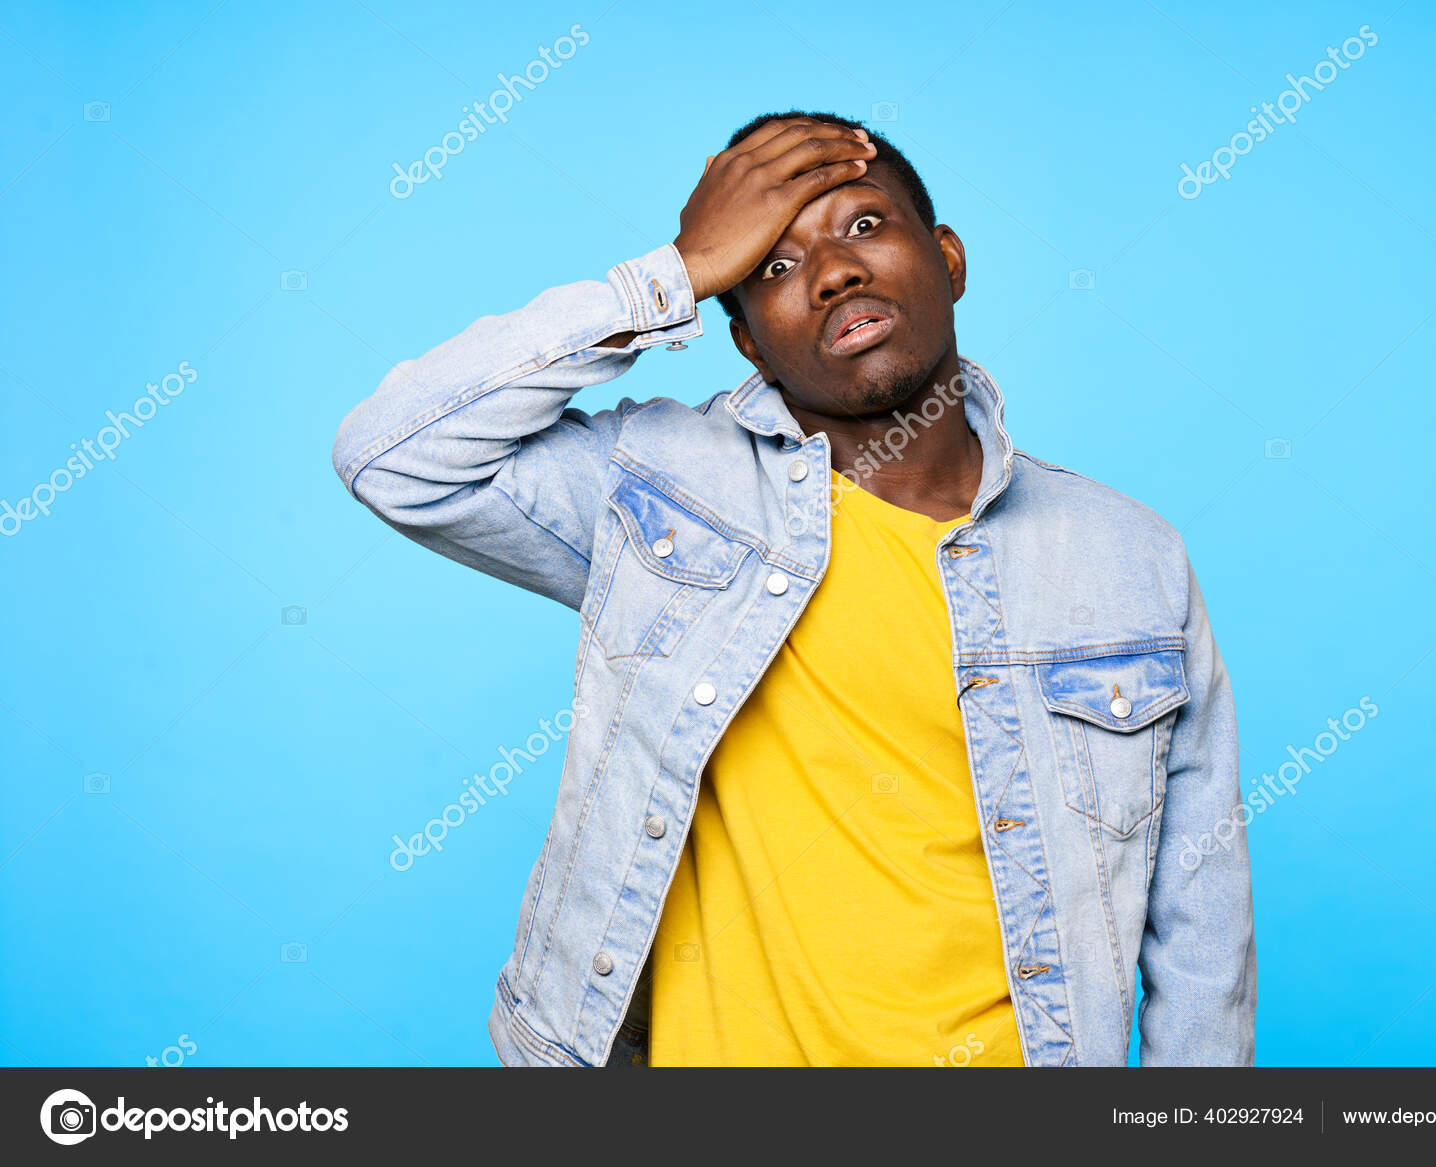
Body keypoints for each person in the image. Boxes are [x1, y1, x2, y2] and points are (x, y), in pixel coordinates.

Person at [331, 110, 1255, 1067]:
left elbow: (1202, 921)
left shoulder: (1125, 555)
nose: (833, 271)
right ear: (745, 341)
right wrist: (674, 274)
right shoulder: (655, 486)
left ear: (948, 259)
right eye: (771, 264)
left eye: (863, 225)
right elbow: (393, 456)